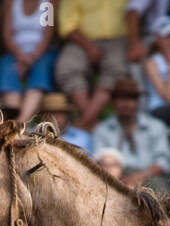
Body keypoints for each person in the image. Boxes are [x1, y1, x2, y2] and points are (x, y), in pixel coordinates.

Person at [56, 0, 131, 131]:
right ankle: (95, 125)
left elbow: (136, 11)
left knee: (116, 70)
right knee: (66, 67)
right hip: (81, 39)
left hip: (118, 40)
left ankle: (85, 123)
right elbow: (67, 24)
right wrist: (88, 46)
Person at [92, 79, 170, 192]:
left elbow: (163, 162)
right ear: (114, 102)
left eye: (131, 98)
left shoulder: (155, 126)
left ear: (137, 102)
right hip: (114, 176)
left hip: (149, 176)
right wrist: (118, 179)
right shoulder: (102, 130)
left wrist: (139, 177)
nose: (126, 104)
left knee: (161, 188)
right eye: (121, 98)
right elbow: (100, 160)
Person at [0, 0, 57, 125]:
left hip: (42, 53)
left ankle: (20, 122)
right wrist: (21, 56)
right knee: (7, 67)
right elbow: (6, 35)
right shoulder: (10, 2)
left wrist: (31, 58)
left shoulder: (49, 3)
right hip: (16, 53)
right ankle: (16, 122)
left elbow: (49, 33)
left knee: (41, 68)